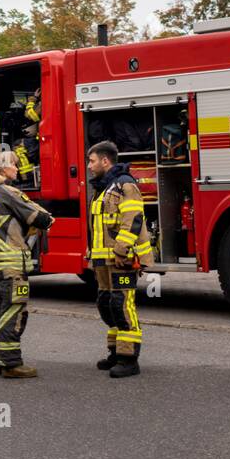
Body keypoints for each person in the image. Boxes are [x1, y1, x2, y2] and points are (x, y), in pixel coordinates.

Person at [0, 147, 54, 379]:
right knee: (14, 312)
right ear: (3, 167)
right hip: (13, 266)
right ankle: (11, 364)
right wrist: (44, 219)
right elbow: (41, 218)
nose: (17, 167)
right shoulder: (8, 192)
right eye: (13, 164)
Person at [87, 140, 154, 378]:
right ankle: (116, 352)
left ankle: (129, 359)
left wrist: (122, 250)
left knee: (122, 304)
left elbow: (133, 219)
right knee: (106, 304)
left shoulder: (125, 185)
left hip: (122, 261)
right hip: (103, 262)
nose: (89, 166)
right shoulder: (103, 188)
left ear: (106, 161)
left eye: (92, 161)